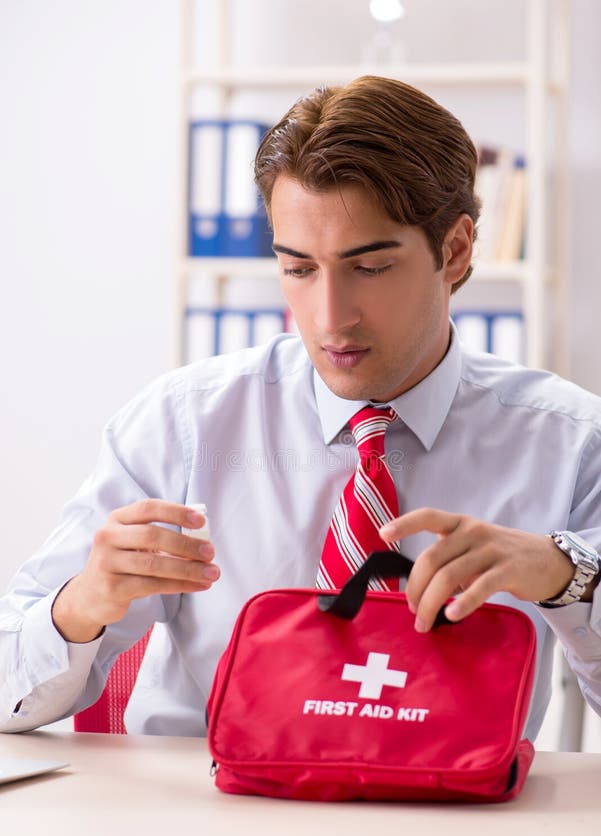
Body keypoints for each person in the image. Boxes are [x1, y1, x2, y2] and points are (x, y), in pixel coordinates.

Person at [1, 75, 601, 739]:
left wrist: (566, 578)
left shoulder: (569, 442)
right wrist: (80, 604)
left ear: (454, 251)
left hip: (453, 822)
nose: (328, 317)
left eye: (368, 267)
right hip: (207, 822)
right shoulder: (182, 424)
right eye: (298, 268)